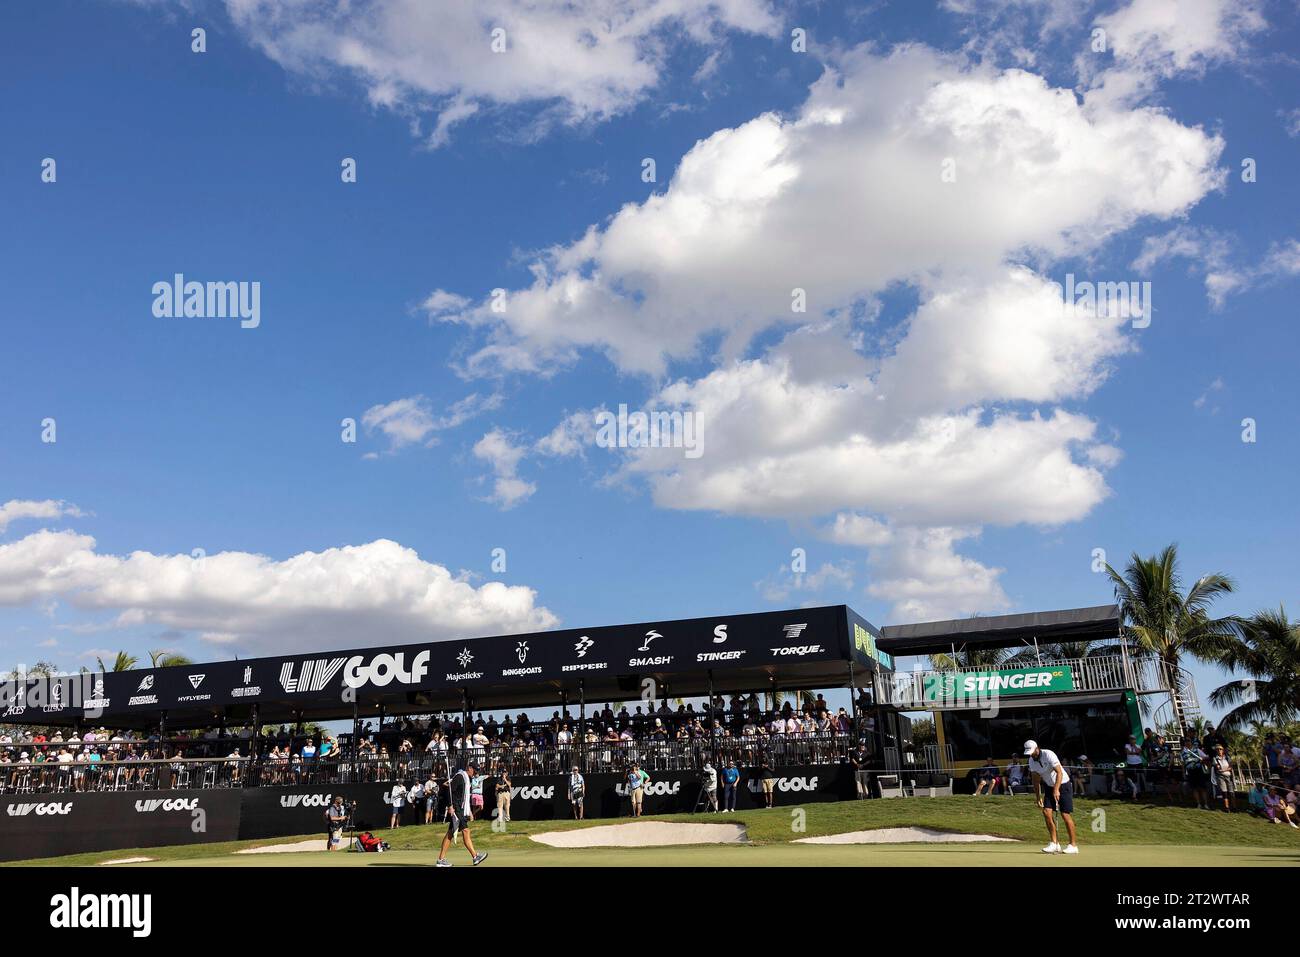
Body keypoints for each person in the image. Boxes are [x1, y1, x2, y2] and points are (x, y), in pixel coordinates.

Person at [1025, 740, 1078, 855]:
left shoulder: (1049, 754)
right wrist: (1038, 796)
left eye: (1032, 752)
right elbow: (1035, 780)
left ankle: (1073, 845)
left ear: (1037, 748)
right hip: (1049, 786)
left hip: (1063, 784)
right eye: (1029, 753)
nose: (1031, 755)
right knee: (1046, 812)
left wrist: (1057, 789)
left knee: (1065, 814)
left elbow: (1059, 772)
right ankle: (1054, 844)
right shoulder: (1031, 761)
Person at [436, 764, 488, 867]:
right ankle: (475, 856)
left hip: (461, 809)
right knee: (466, 830)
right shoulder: (460, 777)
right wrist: (450, 806)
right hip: (456, 808)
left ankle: (441, 860)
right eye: (475, 771)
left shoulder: (466, 779)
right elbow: (449, 791)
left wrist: (468, 812)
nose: (475, 773)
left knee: (450, 833)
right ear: (469, 768)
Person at [1210, 744, 1234, 813]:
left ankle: (1234, 807)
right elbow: (1218, 768)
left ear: (1223, 750)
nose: (1219, 750)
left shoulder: (1227, 757)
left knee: (1231, 792)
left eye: (1220, 749)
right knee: (1224, 792)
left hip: (1228, 776)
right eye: (1217, 749)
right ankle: (1227, 807)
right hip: (1221, 777)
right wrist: (1226, 769)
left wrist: (1224, 769)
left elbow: (1230, 767)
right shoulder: (1215, 758)